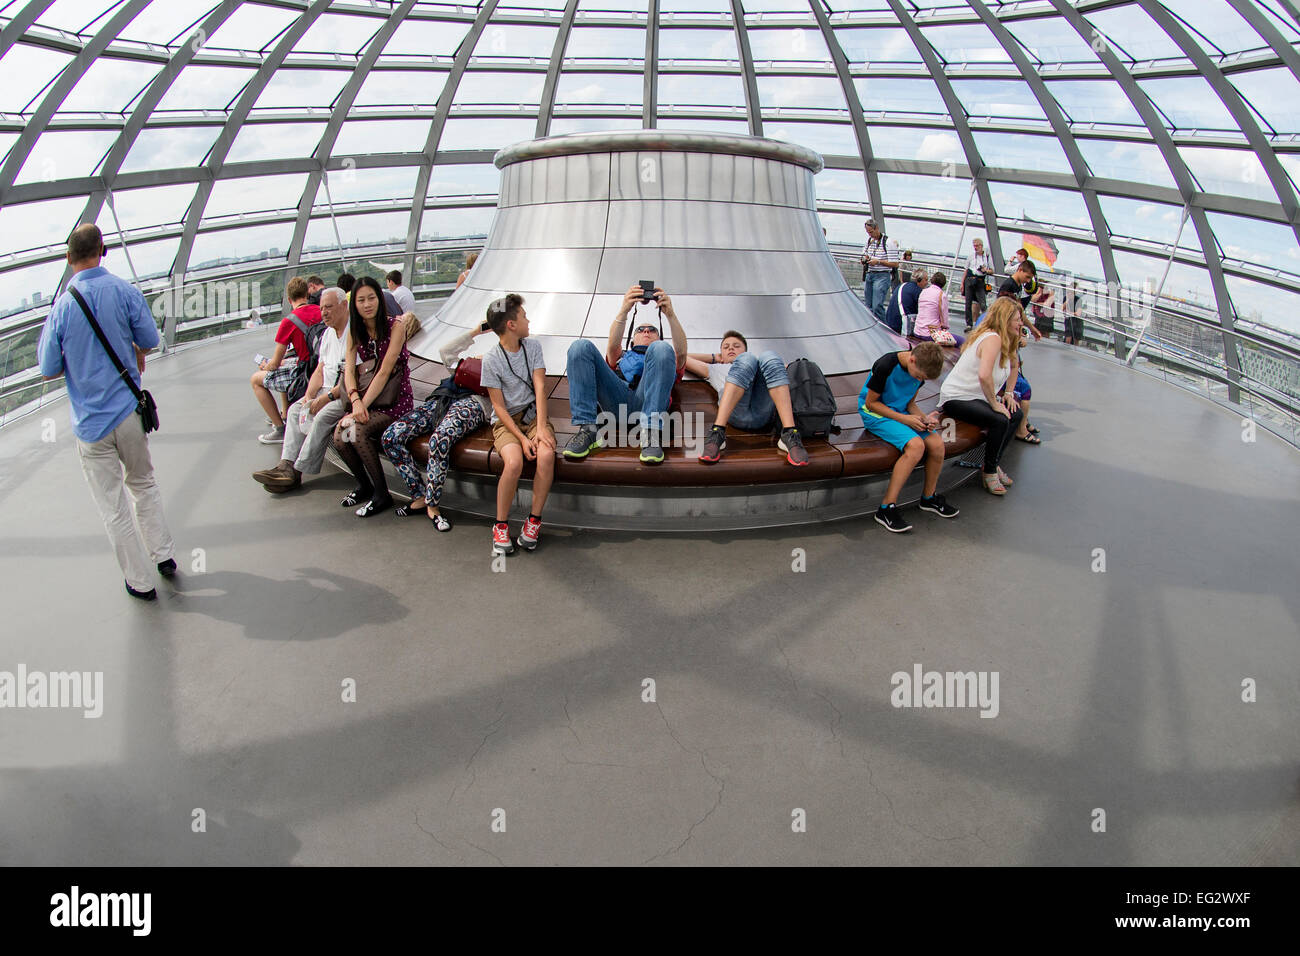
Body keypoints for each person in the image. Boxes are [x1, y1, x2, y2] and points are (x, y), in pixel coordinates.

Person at [37, 224, 176, 601]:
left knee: (112, 506)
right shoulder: (125, 292)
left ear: (68, 258)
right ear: (104, 250)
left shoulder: (63, 306)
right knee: (143, 484)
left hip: (90, 425)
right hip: (129, 414)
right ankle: (163, 556)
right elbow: (150, 339)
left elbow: (48, 367)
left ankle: (140, 582)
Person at [380, 319, 494, 530]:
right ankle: (418, 494)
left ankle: (432, 505)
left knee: (440, 439)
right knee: (391, 436)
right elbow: (446, 352)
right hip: (440, 400)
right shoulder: (466, 369)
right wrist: (476, 332)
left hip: (474, 403)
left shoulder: (504, 364)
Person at [563, 285, 687, 464]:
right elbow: (613, 348)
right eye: (640, 330)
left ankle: (650, 434)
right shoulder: (622, 357)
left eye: (652, 330)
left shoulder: (664, 356)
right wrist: (624, 309)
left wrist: (670, 314)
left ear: (658, 336)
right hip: (616, 401)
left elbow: (681, 354)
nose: (646, 331)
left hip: (648, 404)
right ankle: (588, 429)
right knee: (579, 347)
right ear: (632, 339)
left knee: (661, 350)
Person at [252, 287, 351, 492]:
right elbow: (320, 369)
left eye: (329, 307)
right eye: (322, 308)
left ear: (344, 306)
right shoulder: (328, 335)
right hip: (325, 389)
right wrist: (308, 396)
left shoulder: (353, 335)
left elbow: (349, 379)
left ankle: (296, 472)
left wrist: (322, 399)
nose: (324, 312)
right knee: (296, 409)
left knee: (323, 416)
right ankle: (285, 464)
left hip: (344, 393)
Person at [480, 294, 556, 555]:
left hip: (534, 416)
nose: (528, 320)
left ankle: (533, 521)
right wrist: (523, 439)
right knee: (513, 462)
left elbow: (540, 387)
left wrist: (542, 427)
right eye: (523, 316)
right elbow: (498, 407)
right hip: (507, 423)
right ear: (511, 325)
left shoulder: (532, 347)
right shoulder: (491, 360)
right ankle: (500, 525)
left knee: (546, 454)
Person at [332, 276, 413, 516]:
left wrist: (360, 408)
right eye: (361, 300)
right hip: (367, 398)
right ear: (354, 305)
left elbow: (385, 371)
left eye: (372, 298)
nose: (368, 304)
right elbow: (348, 369)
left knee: (356, 432)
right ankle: (365, 486)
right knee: (339, 436)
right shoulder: (355, 331)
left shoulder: (396, 326)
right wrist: (356, 400)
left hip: (394, 399)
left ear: (379, 299)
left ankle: (382, 494)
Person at [859, 341, 958, 532]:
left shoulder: (919, 371)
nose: (919, 379)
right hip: (875, 414)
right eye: (919, 376)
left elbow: (909, 402)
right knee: (916, 446)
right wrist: (906, 420)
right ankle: (886, 507)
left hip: (901, 413)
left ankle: (928, 498)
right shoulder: (886, 365)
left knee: (937, 443)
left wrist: (923, 418)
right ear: (912, 359)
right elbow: (871, 404)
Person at [938, 298, 1026, 496]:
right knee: (1000, 419)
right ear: (1005, 319)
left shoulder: (1007, 340)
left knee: (1016, 414)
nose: (1021, 323)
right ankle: (989, 471)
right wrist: (995, 403)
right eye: (1017, 319)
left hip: (978, 397)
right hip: (958, 396)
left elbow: (1014, 366)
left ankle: (993, 463)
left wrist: (1009, 393)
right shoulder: (992, 338)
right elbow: (984, 374)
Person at [683, 330, 809, 466]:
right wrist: (715, 357)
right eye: (726, 347)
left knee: (769, 356)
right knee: (747, 359)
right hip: (736, 414)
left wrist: (772, 363)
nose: (731, 348)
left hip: (763, 413)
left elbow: (782, 370)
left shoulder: (759, 363)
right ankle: (717, 432)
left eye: (736, 346)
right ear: (721, 355)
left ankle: (790, 433)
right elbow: (679, 356)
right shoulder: (714, 369)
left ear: (745, 349)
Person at [250, 276, 321, 444]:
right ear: (306, 294)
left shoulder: (289, 321)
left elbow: (274, 363)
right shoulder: (320, 311)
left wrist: (266, 365)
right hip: (321, 365)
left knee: (255, 380)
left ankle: (279, 428)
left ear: (289, 299)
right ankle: (285, 414)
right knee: (286, 366)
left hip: (305, 372)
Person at [860, 218, 900, 323]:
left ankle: (884, 329)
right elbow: (864, 254)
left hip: (882, 275)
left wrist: (878, 262)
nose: (870, 234)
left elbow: (895, 263)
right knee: (868, 306)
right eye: (868, 232)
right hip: (870, 274)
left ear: (877, 228)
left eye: (871, 232)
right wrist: (865, 259)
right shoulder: (869, 241)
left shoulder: (889, 242)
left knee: (877, 305)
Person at [914, 272, 963, 346]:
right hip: (930, 334)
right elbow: (944, 316)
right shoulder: (941, 295)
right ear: (943, 284)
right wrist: (945, 327)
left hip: (917, 331)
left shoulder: (923, 291)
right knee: (963, 341)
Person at [962, 238, 994, 332]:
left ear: (981, 245)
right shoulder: (971, 256)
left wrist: (985, 271)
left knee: (983, 303)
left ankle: (986, 323)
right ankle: (969, 324)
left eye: (977, 246)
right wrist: (962, 283)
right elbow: (966, 269)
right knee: (968, 303)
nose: (975, 248)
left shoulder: (987, 257)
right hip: (970, 279)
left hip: (980, 280)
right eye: (974, 246)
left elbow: (992, 270)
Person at [885, 267, 927, 336]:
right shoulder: (918, 292)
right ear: (919, 280)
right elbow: (921, 311)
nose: (926, 283)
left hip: (890, 321)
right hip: (901, 325)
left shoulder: (902, 285)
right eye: (925, 280)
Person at [1064, 279, 1084, 346]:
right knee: (1068, 339)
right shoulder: (1066, 298)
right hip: (1069, 320)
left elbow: (1078, 313)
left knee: (1076, 340)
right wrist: (1067, 300)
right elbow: (1063, 309)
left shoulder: (1078, 300)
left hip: (1077, 321)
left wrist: (1069, 313)